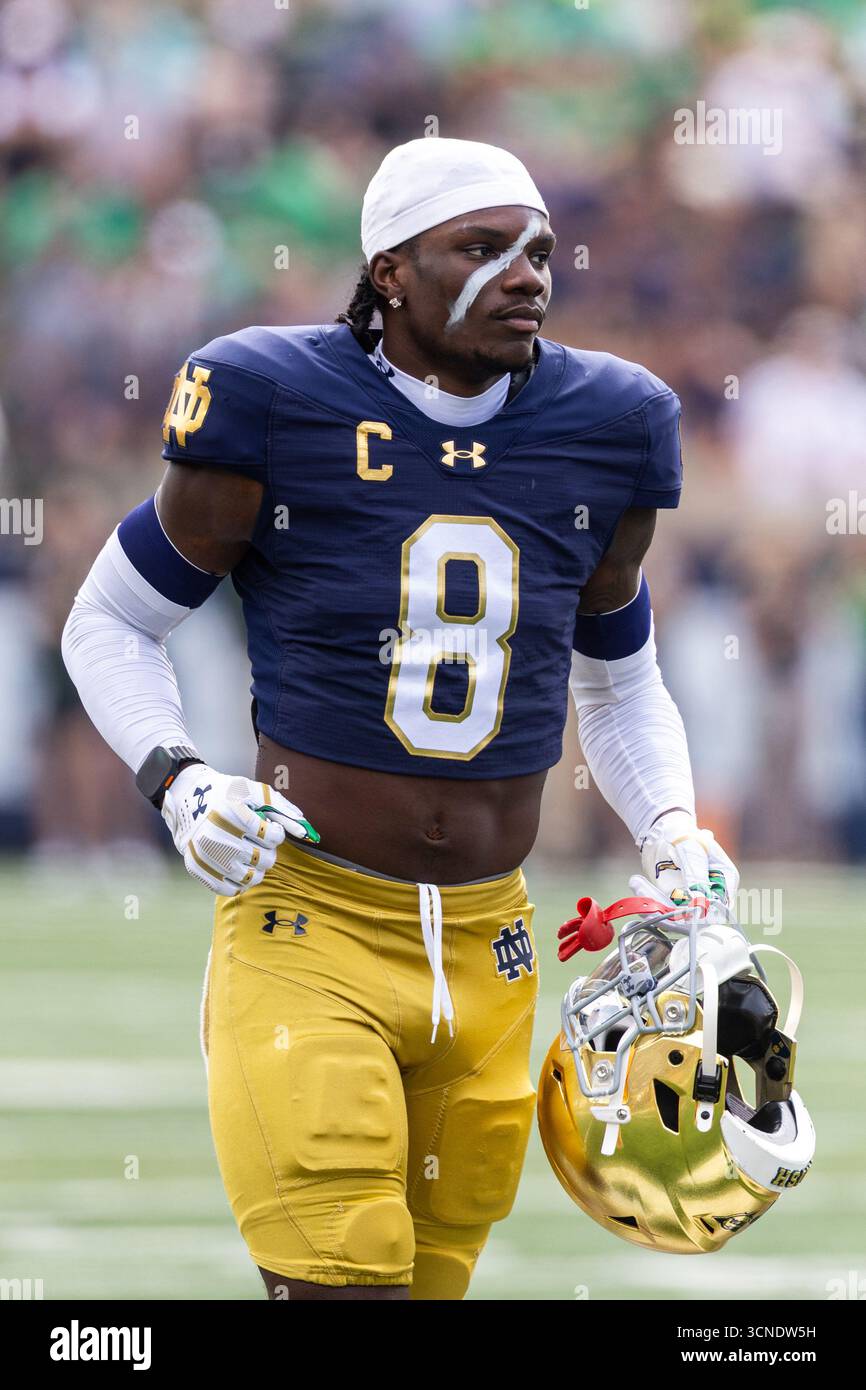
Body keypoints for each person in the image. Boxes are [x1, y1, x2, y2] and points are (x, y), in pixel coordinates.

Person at [62, 137, 738, 1301]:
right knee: (343, 1283)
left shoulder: (611, 420)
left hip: (496, 943)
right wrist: (177, 778)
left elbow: (617, 676)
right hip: (311, 924)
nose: (523, 274)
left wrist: (669, 824)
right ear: (389, 272)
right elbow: (108, 620)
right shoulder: (271, 398)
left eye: (533, 251)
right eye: (479, 250)